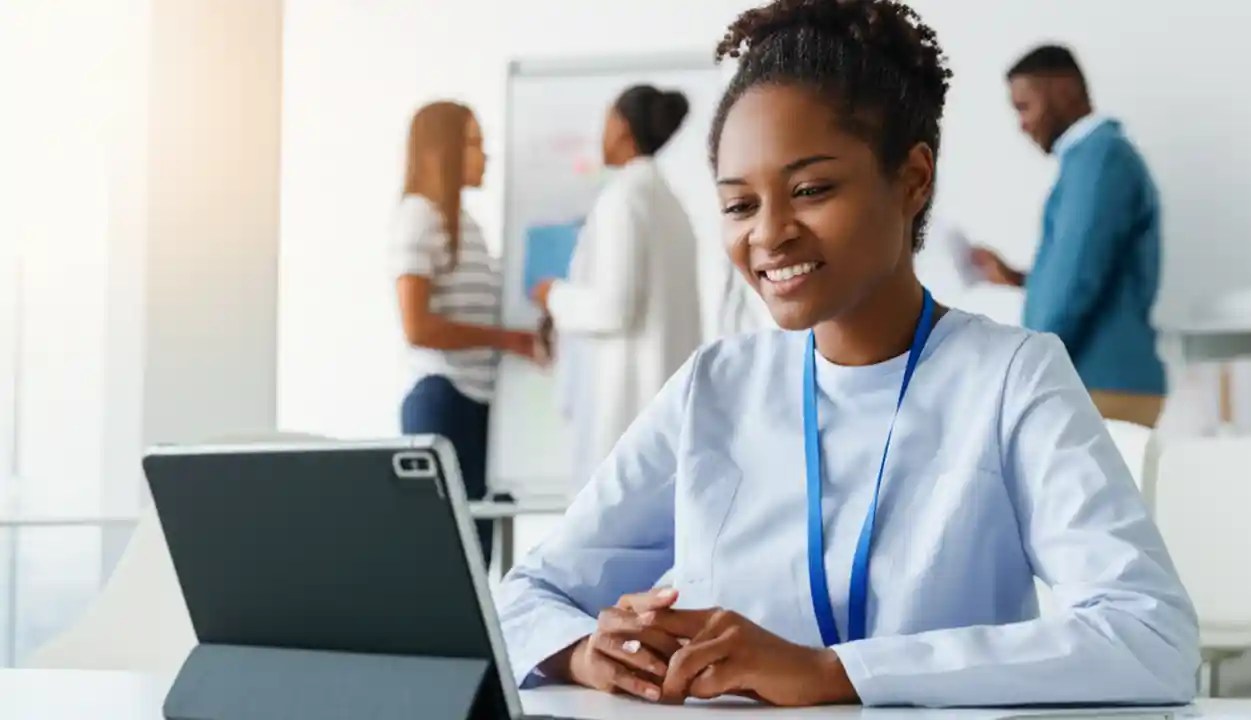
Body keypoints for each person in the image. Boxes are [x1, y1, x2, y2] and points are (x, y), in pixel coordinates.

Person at [498, 0, 1197, 708]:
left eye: (811, 190)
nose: (769, 233)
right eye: (740, 205)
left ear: (913, 179)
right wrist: (585, 653)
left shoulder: (1012, 378)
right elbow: (527, 594)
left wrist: (834, 672)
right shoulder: (715, 387)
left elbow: (1149, 635)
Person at [970, 45, 1166, 428]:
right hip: (1101, 381)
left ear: (1064, 90)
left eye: (1025, 107)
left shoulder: (1100, 157)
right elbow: (1086, 266)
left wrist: (1023, 367)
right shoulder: (1092, 159)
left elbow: (1076, 280)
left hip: (1102, 383)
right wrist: (1019, 280)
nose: (1022, 124)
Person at [530, 85, 702, 489]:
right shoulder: (669, 203)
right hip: (661, 414)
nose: (600, 133)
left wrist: (553, 295)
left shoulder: (623, 198)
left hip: (624, 417)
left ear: (622, 126)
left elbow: (613, 308)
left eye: (606, 120)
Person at [390, 101, 538, 564]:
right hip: (444, 400)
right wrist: (505, 338)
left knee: (478, 552)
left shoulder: (465, 224)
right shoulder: (419, 217)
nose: (484, 156)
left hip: (477, 403)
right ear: (443, 150)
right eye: (474, 143)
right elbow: (417, 327)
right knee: (445, 556)